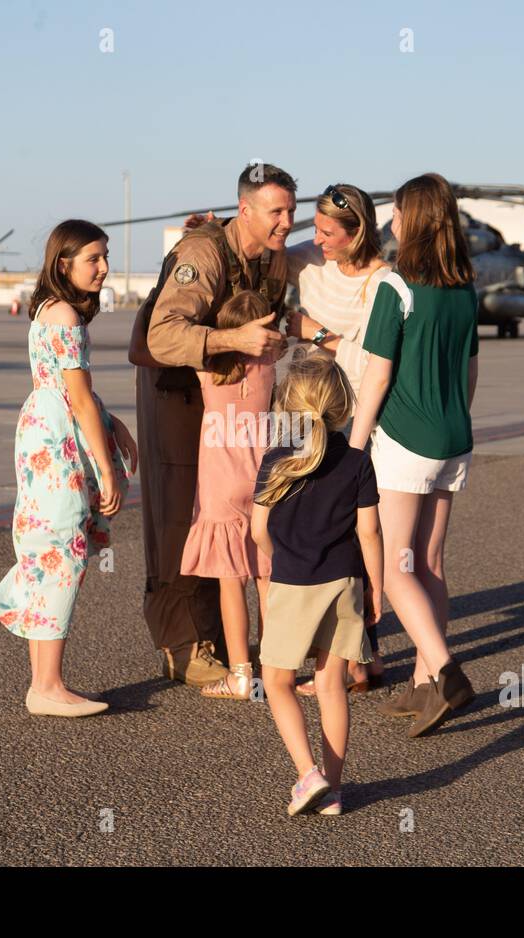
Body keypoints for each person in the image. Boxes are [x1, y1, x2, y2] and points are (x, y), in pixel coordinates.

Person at [186, 183, 391, 695]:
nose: (314, 240)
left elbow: (372, 361)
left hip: (354, 412)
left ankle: (351, 657)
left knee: (342, 533)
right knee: (324, 536)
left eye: (327, 233)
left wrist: (318, 337)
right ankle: (335, 659)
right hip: (304, 419)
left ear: (356, 232)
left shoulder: (383, 282)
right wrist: (213, 235)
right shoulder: (306, 259)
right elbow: (258, 253)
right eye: (313, 229)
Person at [128, 163, 292, 686]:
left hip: (234, 405)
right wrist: (234, 341)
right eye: (277, 211)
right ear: (246, 210)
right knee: (183, 519)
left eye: (292, 210)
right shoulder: (201, 253)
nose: (288, 221)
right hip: (178, 392)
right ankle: (184, 641)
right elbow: (161, 338)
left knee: (246, 526)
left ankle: (240, 641)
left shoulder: (272, 260)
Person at [349, 173, 479, 738]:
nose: (391, 220)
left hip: (405, 439)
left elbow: (376, 376)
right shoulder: (464, 287)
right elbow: (471, 370)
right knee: (431, 563)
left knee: (397, 567)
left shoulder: (395, 286)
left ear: (415, 218)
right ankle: (424, 684)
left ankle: (447, 673)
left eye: (397, 211)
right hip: (455, 437)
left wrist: (355, 447)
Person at [0, 219, 137, 717]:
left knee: (48, 543)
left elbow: (65, 388)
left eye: (105, 257)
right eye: (93, 258)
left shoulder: (49, 311)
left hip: (44, 427)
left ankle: (43, 683)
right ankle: (47, 686)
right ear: (63, 264)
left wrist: (111, 421)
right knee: (62, 549)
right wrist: (108, 469)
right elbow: (75, 394)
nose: (104, 268)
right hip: (58, 437)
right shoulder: (67, 318)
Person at [252, 351, 383, 815]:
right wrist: (376, 589)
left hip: (293, 582)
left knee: (278, 680)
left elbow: (257, 532)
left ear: (287, 406)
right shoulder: (356, 462)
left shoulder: (276, 460)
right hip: (345, 582)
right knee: (331, 686)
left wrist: (281, 559)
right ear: (343, 405)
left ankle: (308, 774)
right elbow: (369, 532)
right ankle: (335, 790)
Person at [180, 290, 277, 700]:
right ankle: (274, 669)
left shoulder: (207, 368)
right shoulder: (270, 365)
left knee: (231, 581)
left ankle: (240, 674)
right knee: (267, 577)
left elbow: (182, 337)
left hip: (221, 482)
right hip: (264, 480)